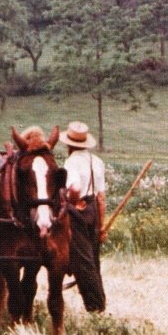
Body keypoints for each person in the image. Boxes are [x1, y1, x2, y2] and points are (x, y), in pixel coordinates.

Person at [61, 121, 107, 312]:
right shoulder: (97, 161)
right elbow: (101, 197)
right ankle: (100, 303)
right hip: (93, 210)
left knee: (82, 261)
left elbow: (74, 188)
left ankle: (95, 307)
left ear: (69, 145)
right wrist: (101, 226)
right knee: (93, 259)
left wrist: (71, 203)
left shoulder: (71, 162)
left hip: (78, 211)